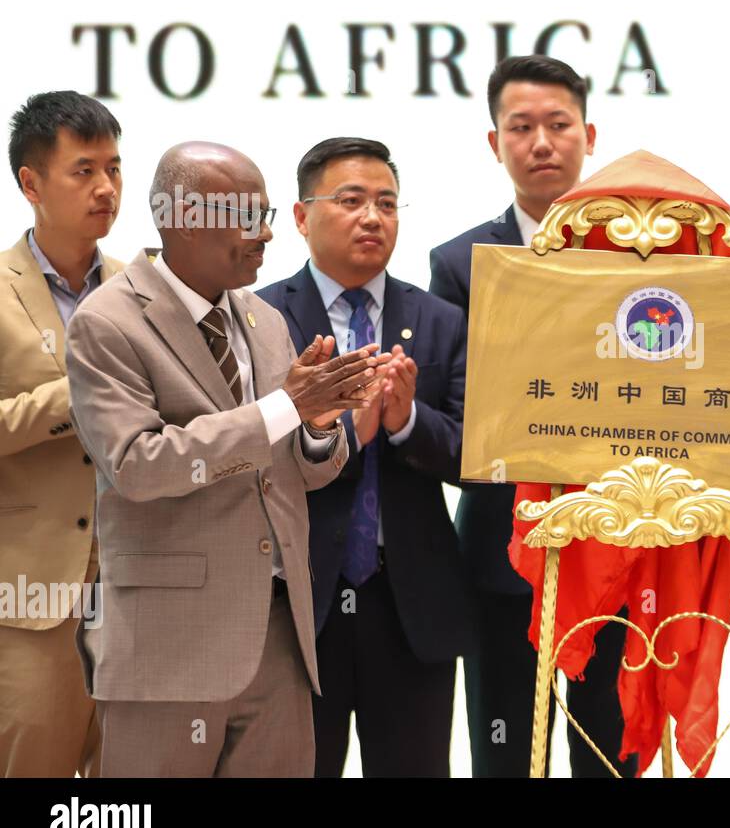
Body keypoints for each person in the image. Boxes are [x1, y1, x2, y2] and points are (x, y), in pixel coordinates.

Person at [66, 141, 385, 777]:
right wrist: (283, 409)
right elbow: (137, 464)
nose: (266, 233)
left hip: (279, 636)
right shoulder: (107, 322)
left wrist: (319, 425)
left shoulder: (265, 320)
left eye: (267, 213)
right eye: (246, 215)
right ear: (181, 215)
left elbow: (301, 468)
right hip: (168, 645)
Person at [429, 54, 633, 776]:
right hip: (504, 553)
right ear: (495, 142)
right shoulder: (461, 262)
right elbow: (460, 404)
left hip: (622, 541)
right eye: (521, 127)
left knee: (612, 750)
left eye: (558, 124)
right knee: (507, 751)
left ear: (589, 134)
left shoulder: (644, 249)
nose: (541, 142)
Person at [258, 137, 475, 777]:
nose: (372, 217)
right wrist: (332, 427)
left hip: (411, 602)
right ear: (302, 216)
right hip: (297, 602)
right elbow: (245, 453)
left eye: (386, 202)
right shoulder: (261, 316)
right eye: (350, 200)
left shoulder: (439, 320)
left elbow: (474, 457)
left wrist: (407, 421)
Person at [0, 91, 124, 777]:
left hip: (140, 588)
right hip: (29, 599)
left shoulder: (145, 289)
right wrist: (75, 391)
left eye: (113, 167)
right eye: (83, 170)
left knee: (130, 798)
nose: (105, 187)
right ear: (31, 183)